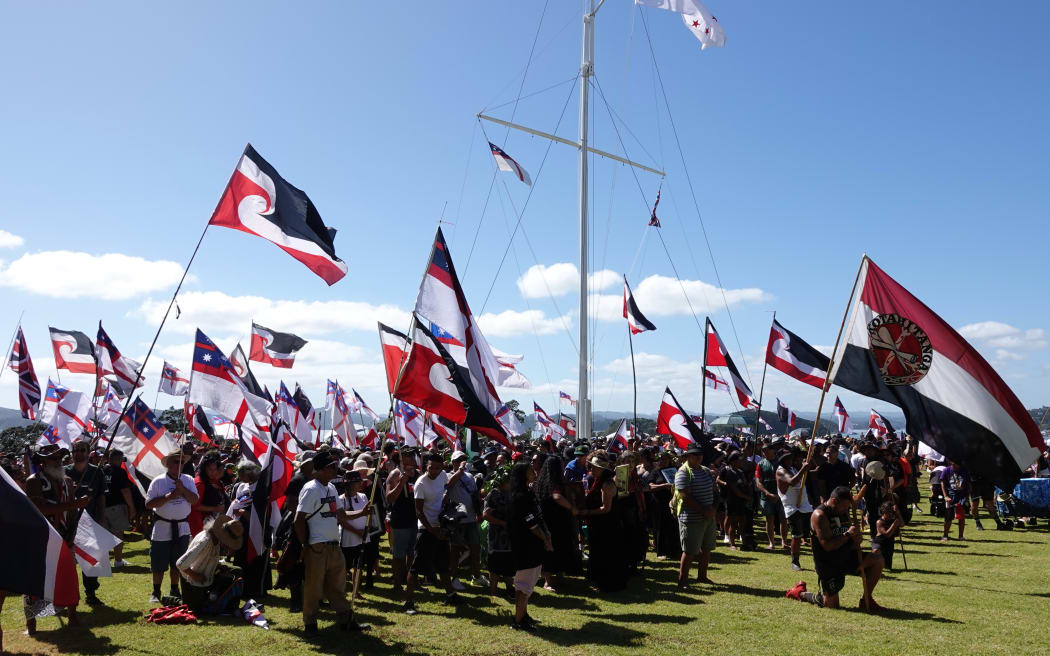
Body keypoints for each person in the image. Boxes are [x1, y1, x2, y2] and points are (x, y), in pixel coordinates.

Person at [293, 451, 368, 633]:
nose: (335, 469)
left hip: (334, 544)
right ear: (320, 469)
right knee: (313, 588)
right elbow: (298, 519)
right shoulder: (311, 489)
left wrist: (362, 512)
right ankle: (310, 624)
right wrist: (305, 545)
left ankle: (346, 620)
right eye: (331, 467)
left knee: (337, 586)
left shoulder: (332, 488)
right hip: (317, 546)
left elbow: (341, 515)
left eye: (335, 466)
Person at [23, 444, 88, 632]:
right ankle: (31, 623)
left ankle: (73, 617)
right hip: (41, 537)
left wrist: (74, 528)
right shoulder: (33, 481)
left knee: (68, 577)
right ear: (42, 461)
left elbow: (71, 509)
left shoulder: (67, 480)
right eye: (53, 458)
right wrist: (74, 505)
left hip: (66, 536)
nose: (58, 461)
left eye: (60, 457)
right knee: (36, 579)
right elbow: (40, 510)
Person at [800, 485, 885, 610]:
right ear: (834, 501)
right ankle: (801, 593)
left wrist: (857, 538)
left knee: (877, 560)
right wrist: (848, 534)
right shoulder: (820, 515)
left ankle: (866, 600)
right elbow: (827, 546)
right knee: (831, 606)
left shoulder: (843, 511)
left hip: (847, 557)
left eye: (848, 507)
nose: (846, 509)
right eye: (844, 506)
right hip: (828, 563)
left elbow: (852, 538)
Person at [403, 453, 461, 614]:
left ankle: (450, 595)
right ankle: (408, 602)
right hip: (426, 530)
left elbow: (447, 487)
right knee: (416, 568)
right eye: (431, 467)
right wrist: (431, 529)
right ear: (426, 467)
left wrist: (446, 502)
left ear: (442, 467)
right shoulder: (420, 483)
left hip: (440, 526)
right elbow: (418, 511)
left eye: (437, 468)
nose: (434, 470)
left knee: (443, 564)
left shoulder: (442, 475)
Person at [145, 449, 198, 603]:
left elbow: (194, 500)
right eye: (176, 461)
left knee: (178, 562)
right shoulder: (158, 481)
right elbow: (149, 504)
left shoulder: (188, 480)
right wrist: (170, 496)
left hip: (182, 527)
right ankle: (156, 591)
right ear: (168, 464)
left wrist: (183, 489)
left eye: (182, 462)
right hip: (162, 527)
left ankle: (174, 589)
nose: (179, 464)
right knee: (158, 562)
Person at [509, 462, 553, 631]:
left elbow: (538, 517)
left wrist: (546, 534)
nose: (534, 472)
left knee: (527, 582)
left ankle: (523, 615)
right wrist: (545, 539)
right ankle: (518, 621)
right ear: (523, 475)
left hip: (533, 544)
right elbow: (531, 524)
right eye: (530, 470)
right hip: (526, 545)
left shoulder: (528, 492)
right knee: (524, 585)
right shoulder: (520, 496)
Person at [577, 452, 627, 593]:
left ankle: (605, 583)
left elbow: (606, 508)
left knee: (605, 554)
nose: (592, 470)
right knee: (599, 553)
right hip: (599, 524)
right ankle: (598, 580)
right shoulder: (597, 480)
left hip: (607, 525)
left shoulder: (607, 484)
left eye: (595, 467)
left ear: (602, 469)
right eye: (591, 467)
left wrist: (586, 512)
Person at [66, 439, 106, 606]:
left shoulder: (97, 472)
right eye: (75, 450)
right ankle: (65, 595)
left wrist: (101, 519)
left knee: (90, 560)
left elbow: (101, 497)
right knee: (65, 561)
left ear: (88, 453)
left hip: (90, 521)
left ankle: (90, 593)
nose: (78, 453)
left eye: (82, 450)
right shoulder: (64, 472)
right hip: (67, 523)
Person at [535, 455, 581, 590]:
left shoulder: (542, 482)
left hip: (549, 520)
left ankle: (558, 577)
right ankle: (548, 581)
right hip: (555, 521)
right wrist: (572, 508)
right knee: (554, 548)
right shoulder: (553, 483)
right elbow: (557, 496)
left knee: (555, 548)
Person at [673, 445, 716, 588]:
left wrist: (713, 509)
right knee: (690, 550)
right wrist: (704, 510)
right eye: (695, 455)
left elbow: (714, 490)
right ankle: (683, 580)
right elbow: (685, 496)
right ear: (688, 457)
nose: (699, 457)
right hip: (691, 518)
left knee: (707, 548)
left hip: (708, 516)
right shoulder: (683, 472)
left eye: (700, 455)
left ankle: (702, 576)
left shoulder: (706, 471)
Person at [446, 451, 487, 590]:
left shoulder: (469, 476)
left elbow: (474, 495)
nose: (462, 462)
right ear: (453, 462)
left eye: (463, 459)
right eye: (458, 460)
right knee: (455, 550)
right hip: (457, 520)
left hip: (471, 519)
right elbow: (449, 485)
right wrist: (460, 470)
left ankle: (476, 576)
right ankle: (452, 578)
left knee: (475, 549)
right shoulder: (448, 475)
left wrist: (478, 512)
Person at [385, 447, 418, 593]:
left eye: (412, 455)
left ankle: (410, 581)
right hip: (400, 521)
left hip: (414, 520)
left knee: (412, 554)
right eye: (407, 455)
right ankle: (397, 584)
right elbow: (389, 498)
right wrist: (401, 483)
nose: (411, 457)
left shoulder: (418, 474)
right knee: (399, 555)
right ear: (400, 458)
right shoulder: (395, 474)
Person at [776, 448, 814, 572]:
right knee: (797, 536)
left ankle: (818, 560)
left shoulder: (792, 468)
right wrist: (803, 468)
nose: (790, 460)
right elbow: (792, 482)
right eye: (787, 458)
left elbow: (807, 469)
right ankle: (795, 561)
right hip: (793, 508)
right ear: (782, 460)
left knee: (814, 534)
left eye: (790, 458)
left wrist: (806, 463)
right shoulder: (781, 471)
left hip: (805, 506)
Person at [481, 465, 515, 596]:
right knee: (495, 564)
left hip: (509, 537)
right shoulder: (494, 494)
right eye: (509, 480)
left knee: (508, 564)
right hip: (496, 536)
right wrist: (502, 523)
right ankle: (493, 591)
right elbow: (485, 515)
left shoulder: (511, 493)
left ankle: (510, 590)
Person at [101, 449, 136, 569]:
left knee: (103, 535)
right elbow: (125, 490)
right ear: (118, 459)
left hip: (102, 506)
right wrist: (131, 507)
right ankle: (118, 560)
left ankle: (104, 561)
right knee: (118, 535)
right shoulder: (120, 471)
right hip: (116, 506)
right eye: (121, 459)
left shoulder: (101, 470)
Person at [338, 470, 368, 600]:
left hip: (362, 537)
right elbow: (341, 520)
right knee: (344, 567)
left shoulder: (363, 496)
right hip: (348, 539)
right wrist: (357, 532)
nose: (360, 484)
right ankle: (340, 591)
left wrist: (367, 530)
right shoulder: (341, 500)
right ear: (350, 484)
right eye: (357, 482)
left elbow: (368, 515)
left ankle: (356, 591)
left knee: (359, 565)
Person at [755, 441, 787, 550]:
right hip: (767, 497)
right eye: (763, 450)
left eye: (766, 450)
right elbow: (758, 482)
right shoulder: (760, 464)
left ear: (773, 450)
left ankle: (784, 542)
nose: (764, 452)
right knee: (769, 520)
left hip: (782, 496)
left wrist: (780, 494)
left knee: (783, 519)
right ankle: (771, 543)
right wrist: (767, 493)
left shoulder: (781, 462)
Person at [189, 451, 229, 536]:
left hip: (211, 524)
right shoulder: (200, 483)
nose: (213, 472)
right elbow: (195, 506)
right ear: (204, 468)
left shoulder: (212, 480)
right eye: (210, 469)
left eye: (215, 469)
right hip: (200, 526)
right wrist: (215, 508)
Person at [940, 459, 971, 541]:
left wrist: (967, 497)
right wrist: (945, 496)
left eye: (956, 464)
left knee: (961, 516)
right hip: (950, 496)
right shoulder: (946, 470)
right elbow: (942, 483)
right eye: (953, 464)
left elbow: (968, 484)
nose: (954, 466)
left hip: (962, 497)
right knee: (948, 517)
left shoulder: (965, 471)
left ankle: (961, 536)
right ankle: (945, 535)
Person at [871, 500, 901, 570]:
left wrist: (898, 513)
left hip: (889, 545)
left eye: (891, 512)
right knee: (876, 552)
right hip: (880, 544)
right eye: (888, 512)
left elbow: (902, 524)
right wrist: (894, 525)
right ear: (883, 512)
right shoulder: (879, 522)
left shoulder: (892, 519)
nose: (890, 514)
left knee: (887, 567)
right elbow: (887, 534)